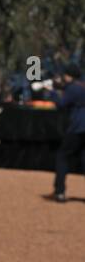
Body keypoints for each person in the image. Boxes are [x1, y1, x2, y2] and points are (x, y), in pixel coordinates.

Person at [49, 62, 85, 203]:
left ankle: (60, 192)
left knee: (62, 156)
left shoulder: (72, 89)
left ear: (69, 76)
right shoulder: (82, 86)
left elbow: (61, 104)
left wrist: (52, 92)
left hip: (77, 127)